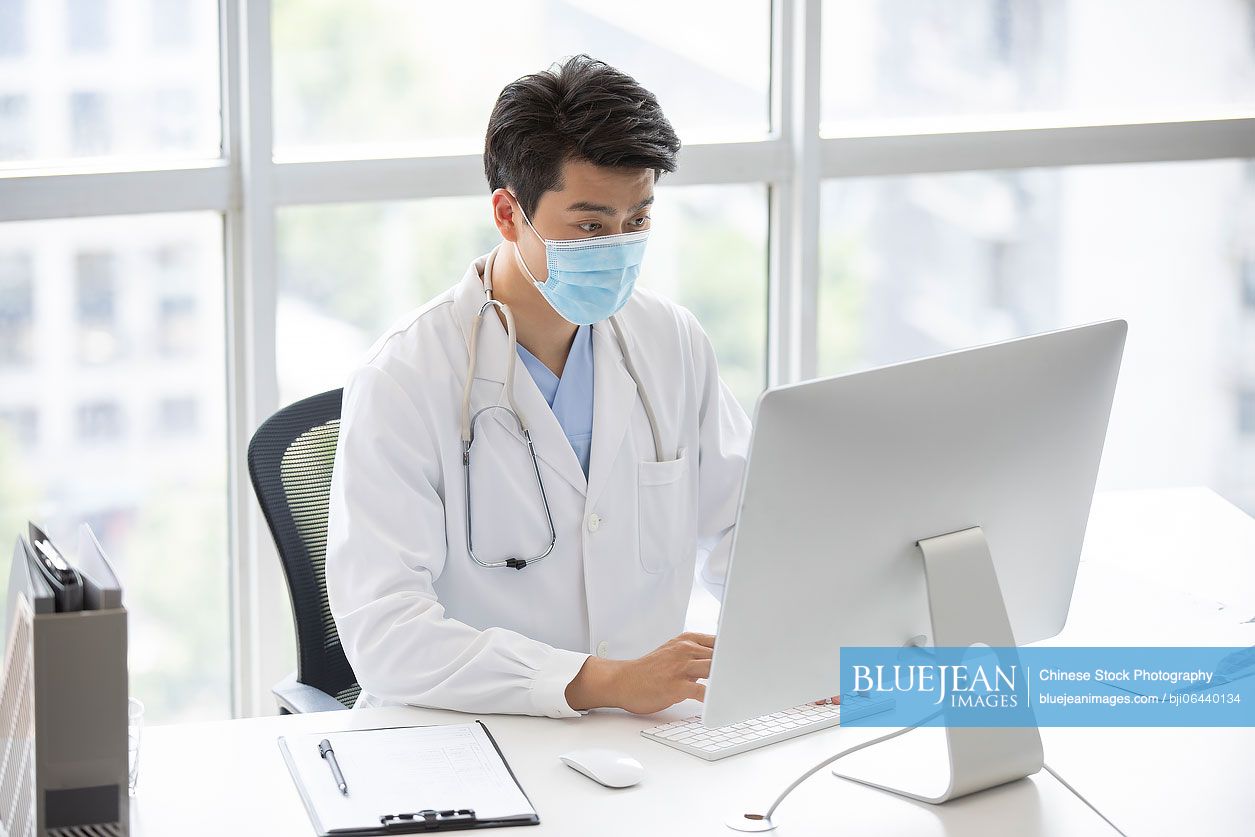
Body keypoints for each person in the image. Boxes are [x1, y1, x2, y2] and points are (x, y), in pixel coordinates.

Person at [325, 55, 753, 719]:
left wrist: (791, 648)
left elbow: (744, 535)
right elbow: (386, 635)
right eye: (589, 224)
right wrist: (597, 681)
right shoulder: (405, 378)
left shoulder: (671, 342)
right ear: (506, 212)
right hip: (462, 733)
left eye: (636, 220)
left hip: (639, 739)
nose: (617, 245)